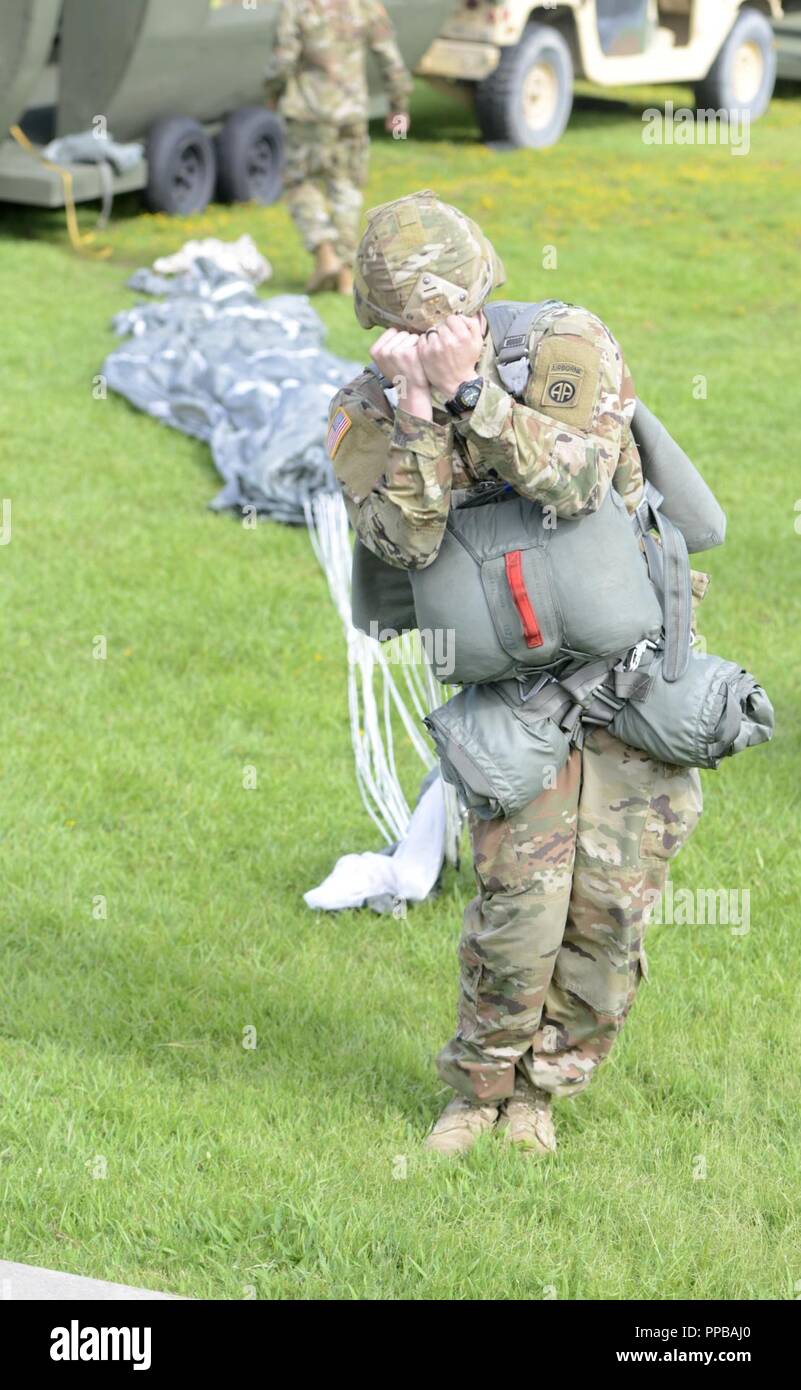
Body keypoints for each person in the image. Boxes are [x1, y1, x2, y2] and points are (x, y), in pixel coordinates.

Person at [326, 190, 705, 1158]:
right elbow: (401, 541)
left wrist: (473, 400)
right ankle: (478, 1088)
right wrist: (418, 413)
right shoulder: (365, 411)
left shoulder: (568, 345)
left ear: (483, 292)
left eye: (444, 316)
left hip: (628, 666)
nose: (430, 334)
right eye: (410, 324)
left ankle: (546, 1085)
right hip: (511, 686)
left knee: (612, 903)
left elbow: (578, 478)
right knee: (519, 904)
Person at [264, 0, 412, 295]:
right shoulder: (365, 5)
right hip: (352, 113)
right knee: (346, 187)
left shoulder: (298, 6)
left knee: (299, 183)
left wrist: (272, 92)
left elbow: (283, 60)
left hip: (308, 114)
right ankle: (345, 274)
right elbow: (391, 60)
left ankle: (325, 254)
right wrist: (398, 107)